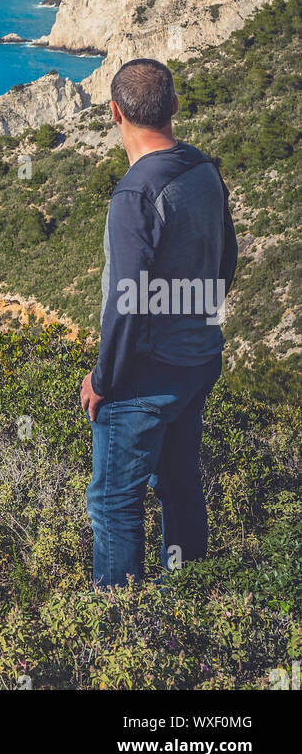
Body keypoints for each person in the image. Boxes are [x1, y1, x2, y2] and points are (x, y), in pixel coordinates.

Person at [80, 58, 237, 589]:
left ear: (114, 112)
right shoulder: (204, 170)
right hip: (198, 359)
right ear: (174, 106)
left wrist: (104, 381)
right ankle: (190, 601)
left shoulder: (135, 195)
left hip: (145, 377)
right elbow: (226, 262)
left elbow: (125, 303)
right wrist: (195, 321)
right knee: (179, 484)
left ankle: (123, 635)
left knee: (113, 502)